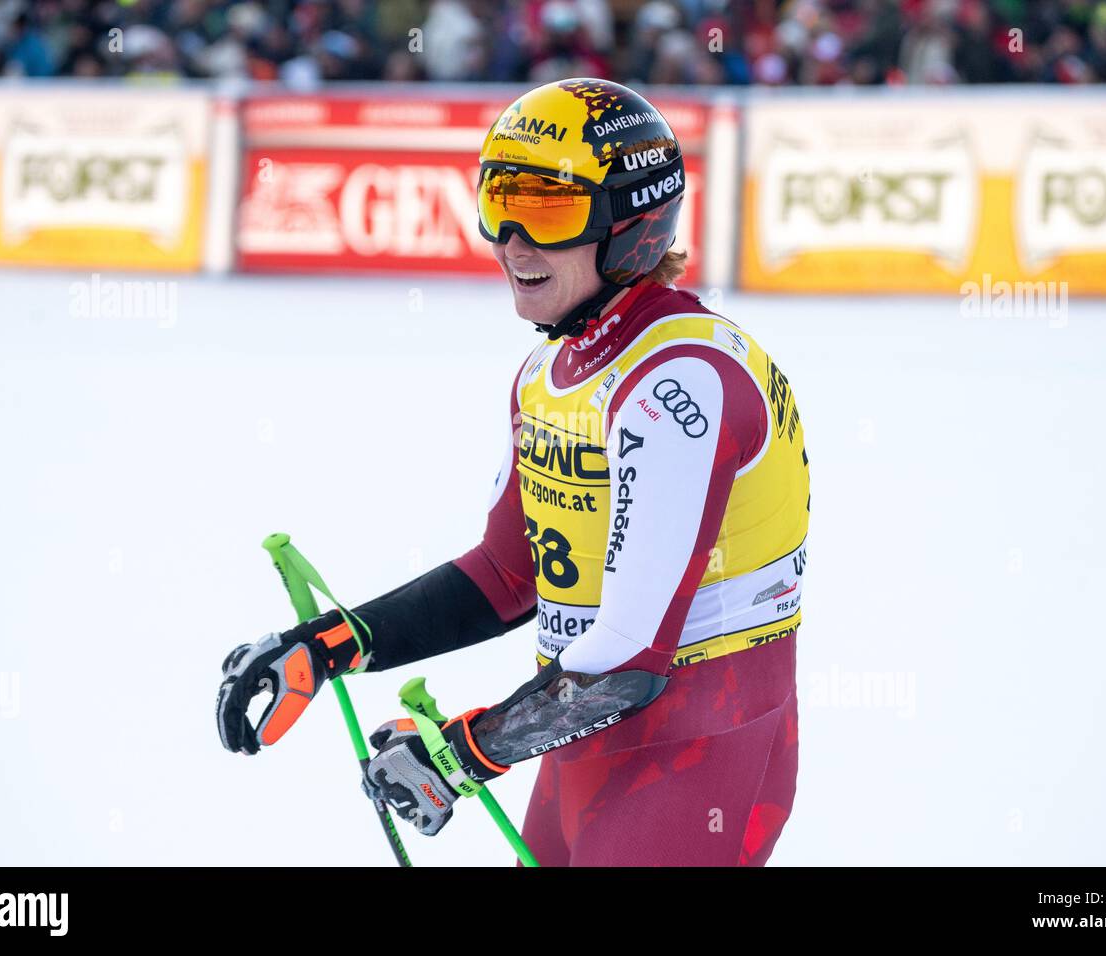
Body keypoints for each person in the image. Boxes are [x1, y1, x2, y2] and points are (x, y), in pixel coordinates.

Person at [216, 78, 810, 867]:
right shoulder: (551, 372)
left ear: (631, 224)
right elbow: (507, 574)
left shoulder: (678, 384)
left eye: (551, 212)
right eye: (500, 204)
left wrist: (464, 753)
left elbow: (630, 656)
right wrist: (336, 644)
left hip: (695, 753)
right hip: (583, 740)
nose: (513, 241)